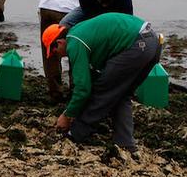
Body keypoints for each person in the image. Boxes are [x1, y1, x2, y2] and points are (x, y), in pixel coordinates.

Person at [42, 12, 163, 152]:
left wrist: (67, 115)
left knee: (103, 91)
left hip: (137, 45)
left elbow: (83, 89)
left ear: (59, 42)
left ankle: (75, 134)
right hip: (153, 43)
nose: (58, 55)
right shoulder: (80, 32)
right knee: (121, 93)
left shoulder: (74, 42)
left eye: (55, 51)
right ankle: (126, 144)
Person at [35, 0, 108, 102]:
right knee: (75, 47)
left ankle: (55, 93)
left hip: (47, 6)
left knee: (50, 49)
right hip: (69, 9)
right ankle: (74, 91)